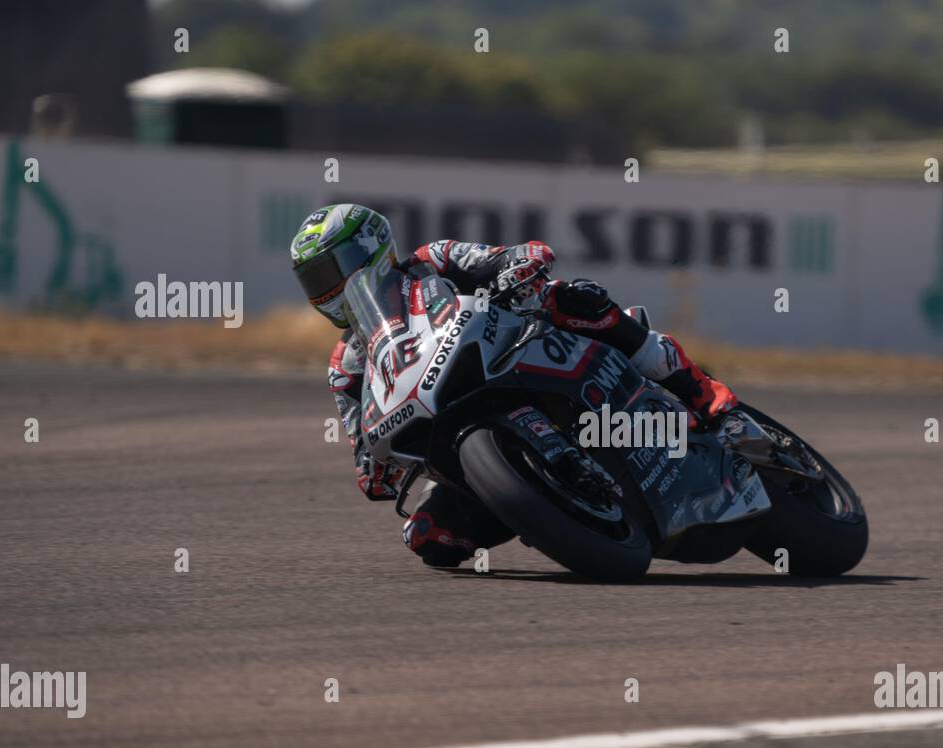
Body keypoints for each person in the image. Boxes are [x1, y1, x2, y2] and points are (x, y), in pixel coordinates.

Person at [291, 203, 737, 567]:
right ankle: (545, 509)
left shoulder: (433, 261)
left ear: (372, 248)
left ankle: (699, 389)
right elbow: (361, 444)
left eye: (334, 269)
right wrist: (374, 469)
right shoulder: (346, 365)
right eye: (315, 279)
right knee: (431, 539)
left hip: (513, 349)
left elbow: (509, 255)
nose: (327, 288)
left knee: (574, 297)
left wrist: (518, 266)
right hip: (443, 420)